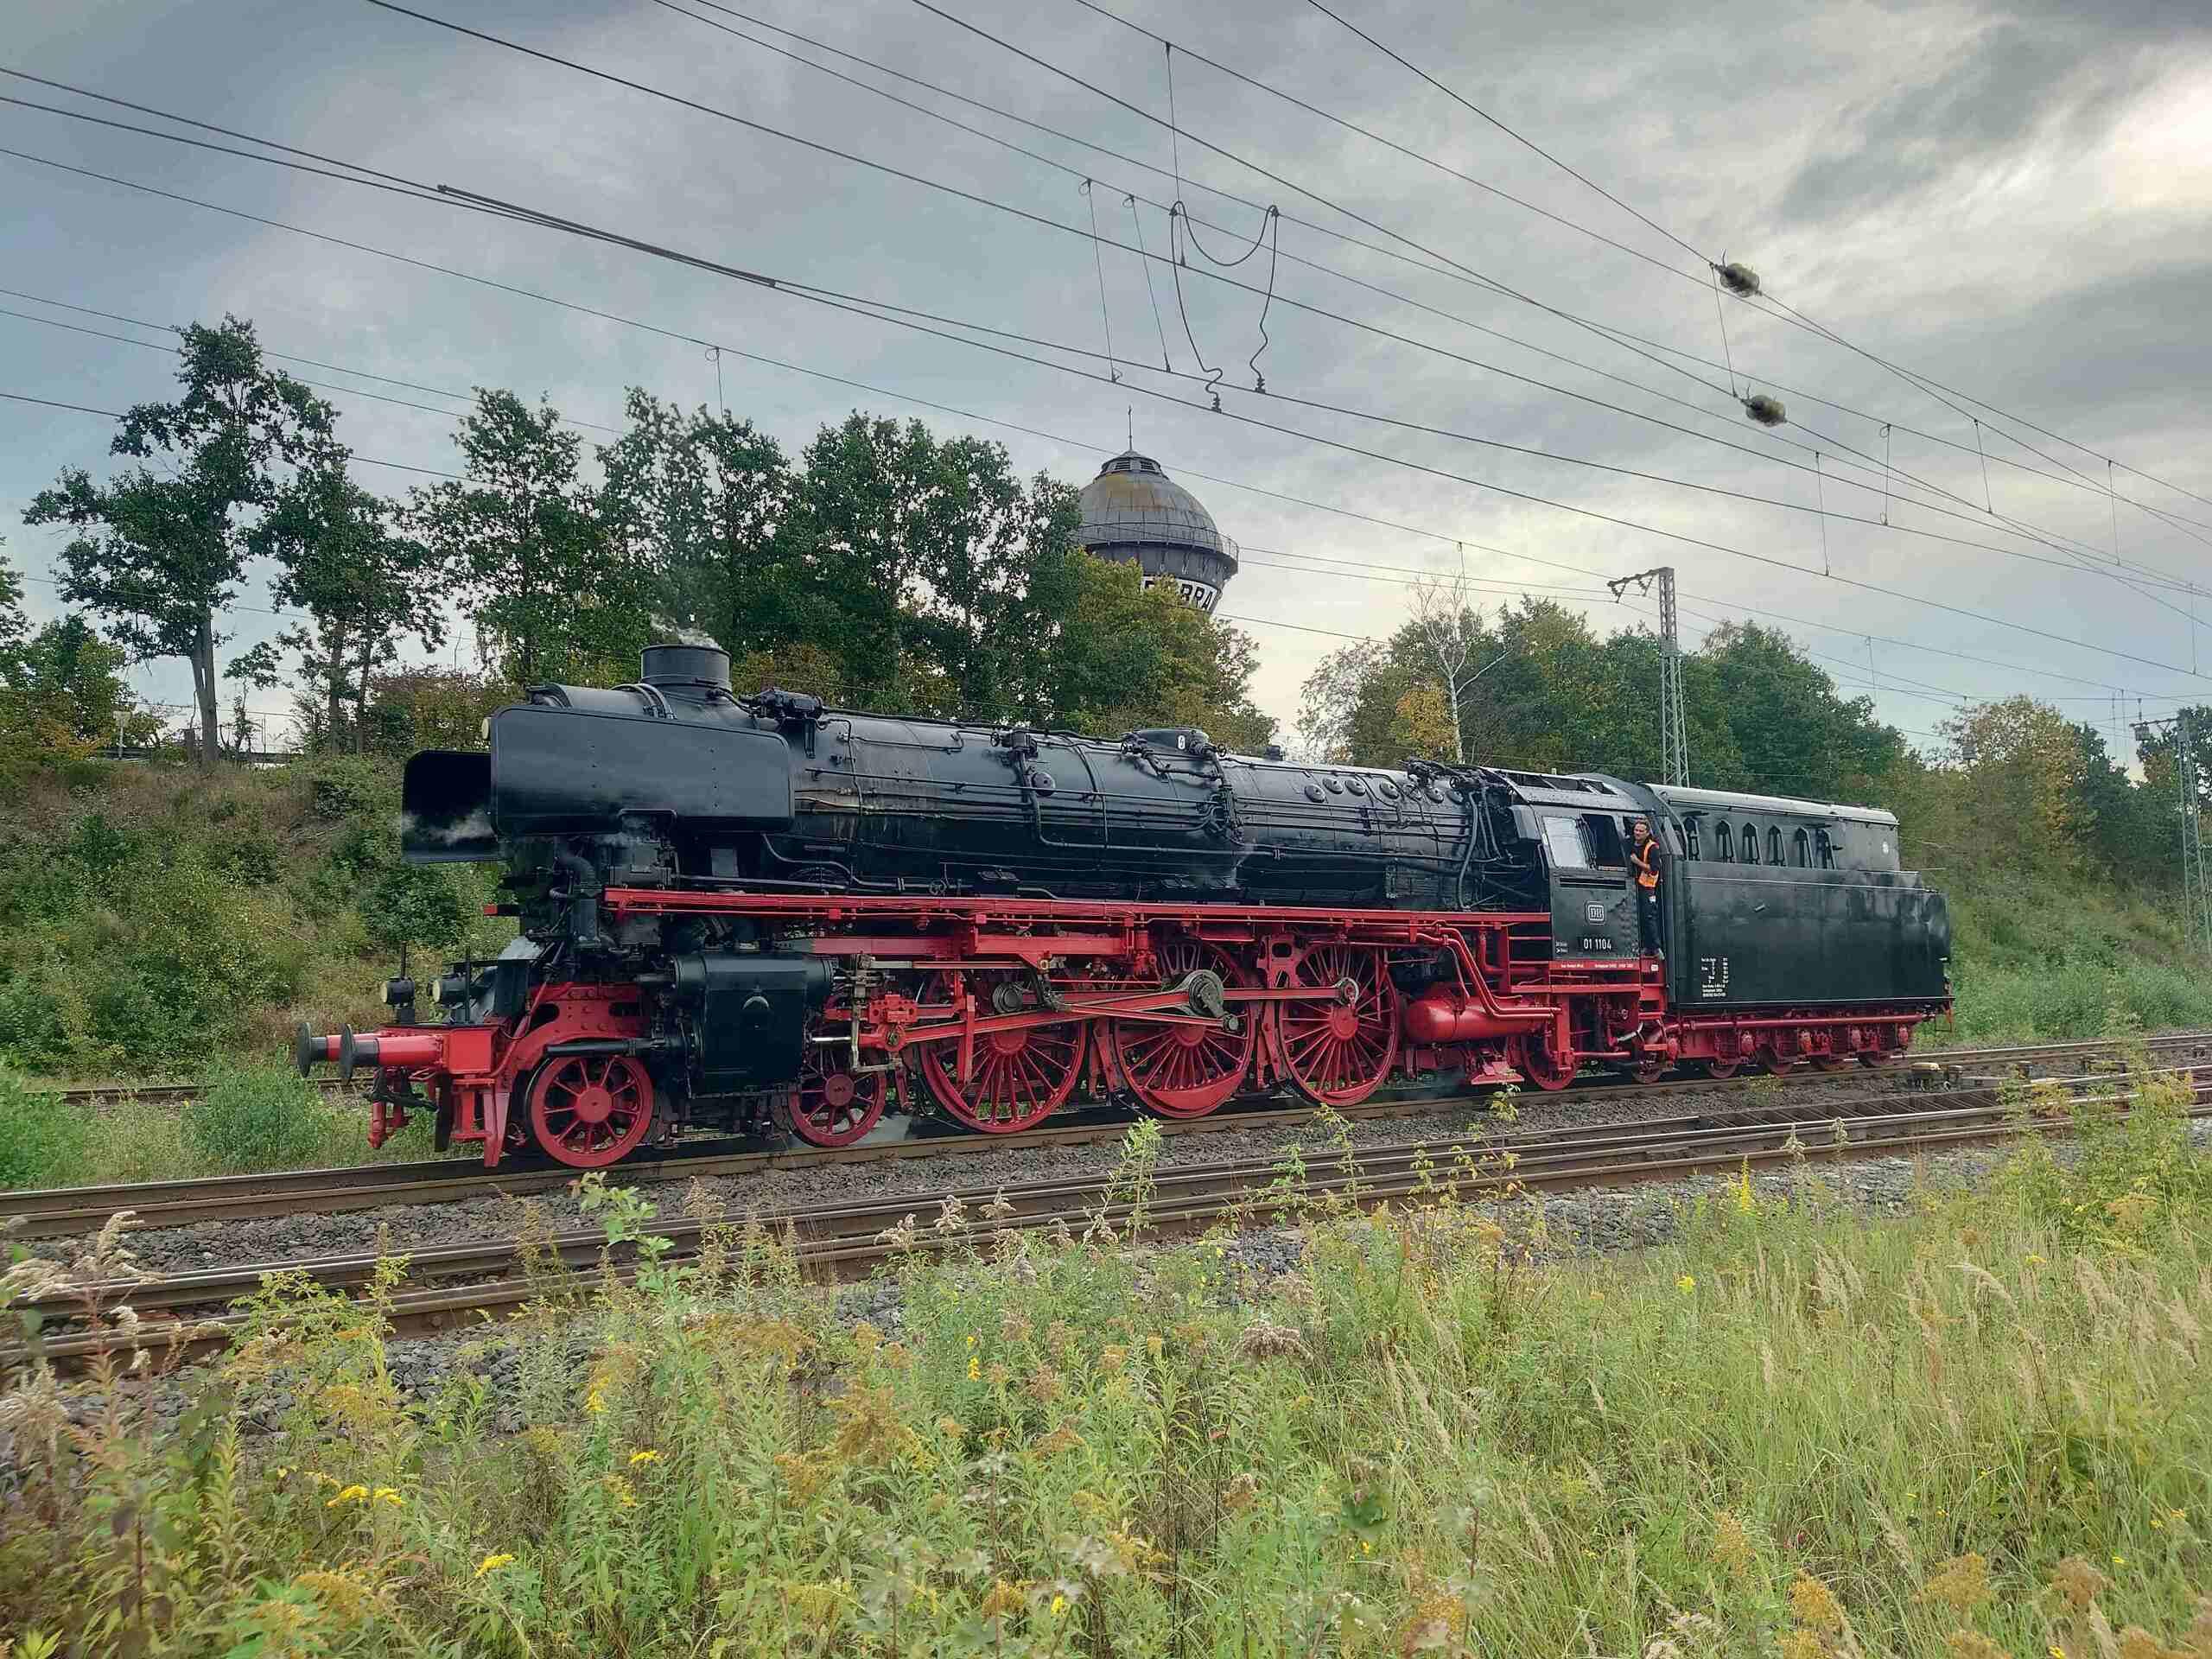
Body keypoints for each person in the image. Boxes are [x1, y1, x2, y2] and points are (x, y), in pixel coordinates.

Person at [1630, 817, 1663, 957]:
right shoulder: (1631, 843)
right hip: (1635, 884)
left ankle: (1656, 948)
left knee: (1649, 916)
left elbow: (1654, 869)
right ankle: (1643, 946)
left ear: (1647, 833)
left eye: (1640, 831)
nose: (1637, 833)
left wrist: (1637, 862)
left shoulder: (1652, 848)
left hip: (1648, 886)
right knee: (1637, 916)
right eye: (1636, 830)